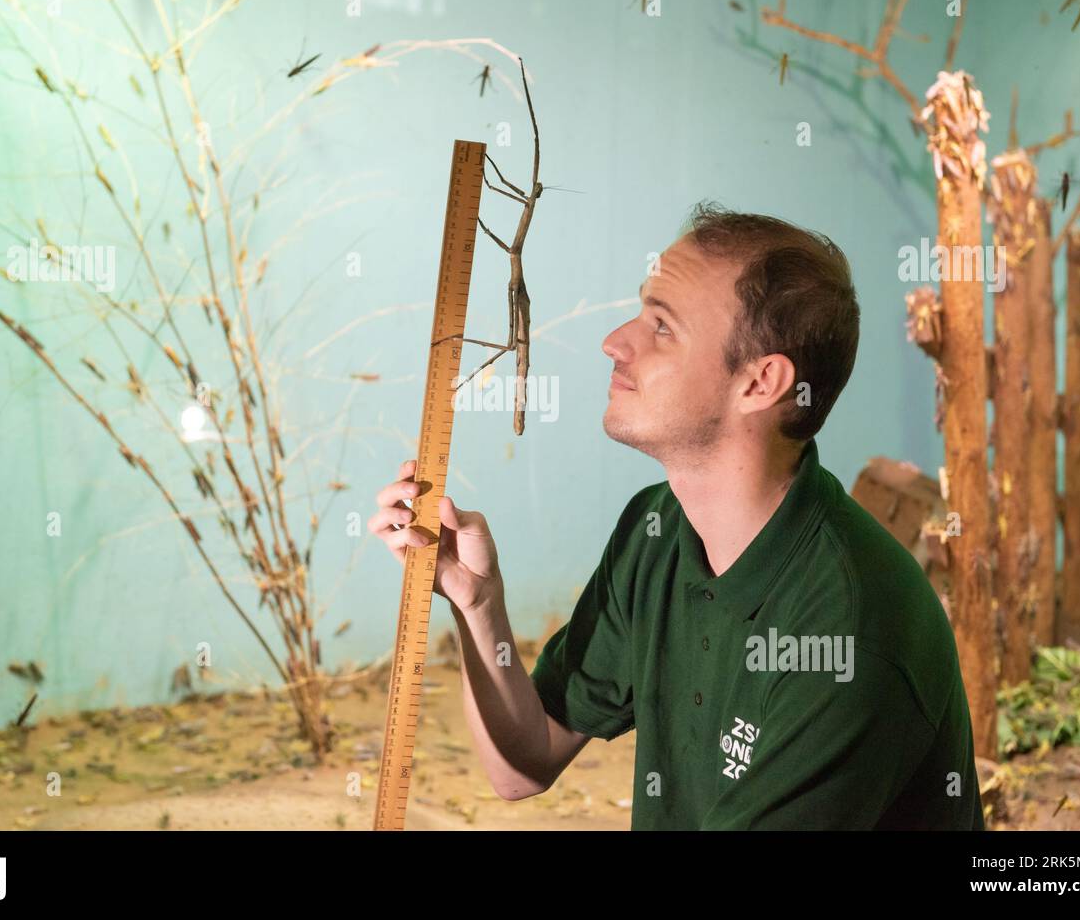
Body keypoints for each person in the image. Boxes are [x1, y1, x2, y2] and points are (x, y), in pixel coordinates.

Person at [368, 201, 984, 830]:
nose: (616, 343)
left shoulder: (848, 632)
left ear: (760, 382)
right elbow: (523, 764)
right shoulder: (657, 530)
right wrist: (477, 604)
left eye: (662, 326)